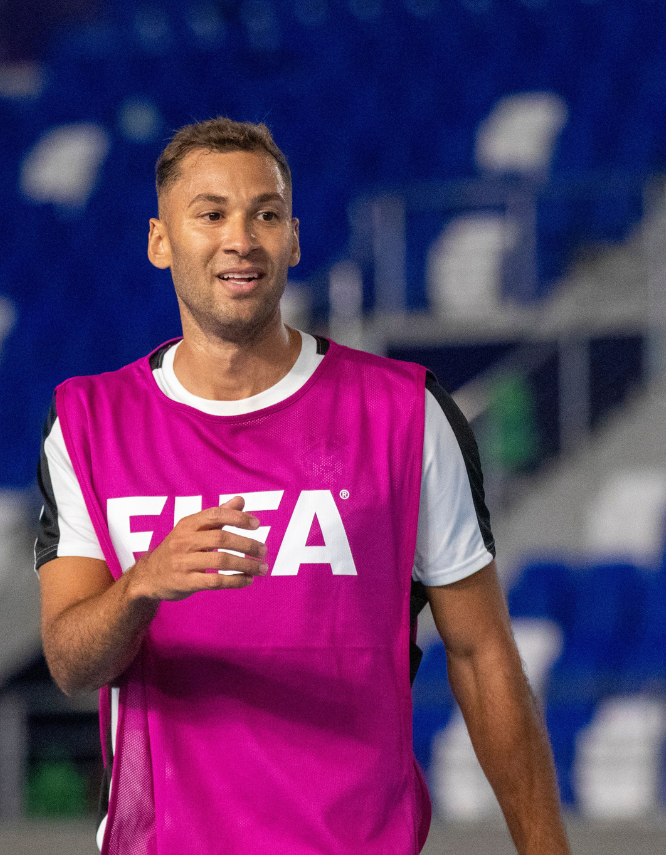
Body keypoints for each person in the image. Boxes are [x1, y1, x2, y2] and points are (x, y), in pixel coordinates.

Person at [34, 117, 570, 854]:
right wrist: (141, 586)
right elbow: (69, 660)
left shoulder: (404, 413)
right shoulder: (89, 424)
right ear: (161, 241)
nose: (241, 238)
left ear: (294, 237)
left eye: (266, 213)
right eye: (211, 213)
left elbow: (482, 655)